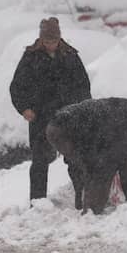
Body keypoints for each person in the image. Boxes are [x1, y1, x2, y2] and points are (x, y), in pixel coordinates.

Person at [9, 16, 92, 206]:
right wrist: (24, 108)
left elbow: (83, 86)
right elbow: (17, 87)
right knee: (40, 160)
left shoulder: (70, 55)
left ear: (59, 38)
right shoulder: (31, 57)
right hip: (40, 117)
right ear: (41, 39)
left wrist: (82, 109)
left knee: (74, 158)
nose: (50, 45)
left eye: (53, 41)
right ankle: (38, 202)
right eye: (46, 41)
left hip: (68, 116)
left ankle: (82, 198)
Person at [45, 97, 127, 214]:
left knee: (118, 167)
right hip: (118, 120)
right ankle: (98, 208)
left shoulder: (85, 129)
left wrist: (89, 206)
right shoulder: (71, 126)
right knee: (105, 168)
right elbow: (83, 166)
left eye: (60, 145)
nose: (61, 150)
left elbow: (98, 169)